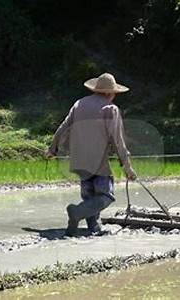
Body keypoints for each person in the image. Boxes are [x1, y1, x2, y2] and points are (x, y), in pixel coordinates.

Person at [45, 72, 137, 237]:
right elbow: (118, 140)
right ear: (110, 93)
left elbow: (63, 127)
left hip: (79, 159)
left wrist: (53, 149)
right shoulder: (110, 109)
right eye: (114, 93)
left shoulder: (79, 104)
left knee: (90, 196)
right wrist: (127, 166)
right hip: (98, 161)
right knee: (106, 196)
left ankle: (89, 228)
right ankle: (77, 212)